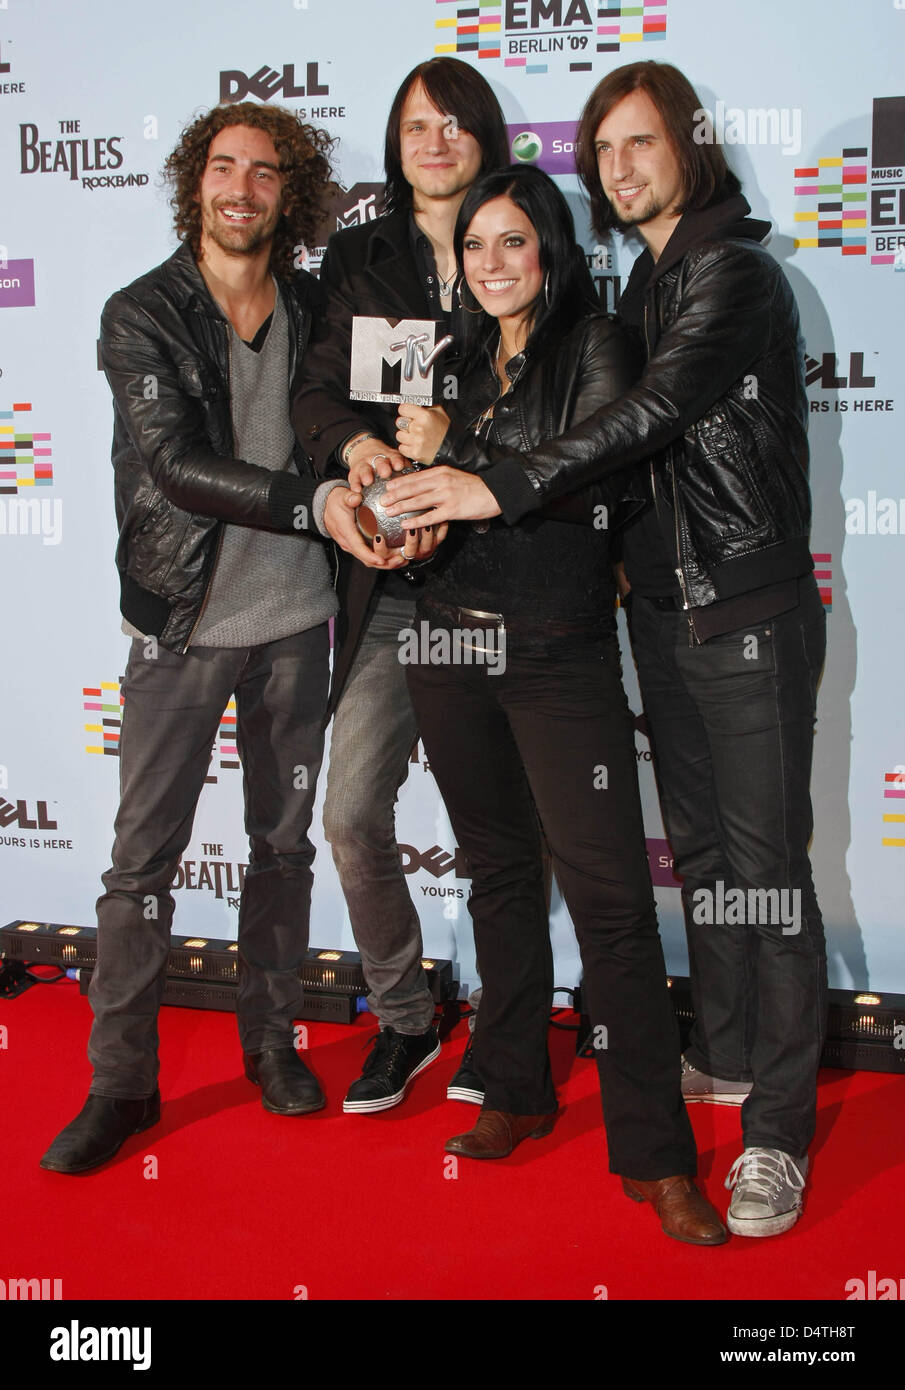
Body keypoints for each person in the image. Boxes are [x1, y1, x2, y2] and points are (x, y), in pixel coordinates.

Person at [385, 61, 826, 1240]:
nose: (622, 168)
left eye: (640, 144)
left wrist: (486, 485)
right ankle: (722, 1059)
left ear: (689, 143)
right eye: (606, 151)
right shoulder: (638, 291)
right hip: (655, 617)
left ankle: (776, 1128)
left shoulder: (726, 278)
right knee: (702, 858)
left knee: (762, 870)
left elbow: (650, 418)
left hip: (736, 605)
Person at [391, 164, 726, 1247]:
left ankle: (656, 1153)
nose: (490, 265)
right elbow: (446, 494)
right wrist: (403, 507)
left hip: (555, 655)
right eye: (474, 246)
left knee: (613, 905)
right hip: (446, 646)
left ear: (550, 249)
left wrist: (461, 458)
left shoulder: (596, 346)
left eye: (512, 243)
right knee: (496, 874)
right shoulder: (452, 359)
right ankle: (515, 1085)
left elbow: (589, 477)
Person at [41, 102, 374, 1174]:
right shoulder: (139, 311)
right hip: (183, 624)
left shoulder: (319, 307)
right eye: (223, 168)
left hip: (296, 624)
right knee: (141, 864)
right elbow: (178, 465)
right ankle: (120, 1084)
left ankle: (271, 1043)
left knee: (281, 849)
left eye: (264, 172)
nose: (241, 189)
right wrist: (314, 505)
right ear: (195, 184)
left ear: (291, 191)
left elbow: (349, 429)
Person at [292, 58, 508, 1115]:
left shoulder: (521, 233)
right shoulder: (357, 253)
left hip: (497, 581)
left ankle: (508, 1033)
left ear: (484, 136)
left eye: (453, 121)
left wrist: (457, 436)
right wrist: (354, 452)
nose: (434, 140)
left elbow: (561, 394)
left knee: (502, 824)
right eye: (415, 124)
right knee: (348, 812)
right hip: (385, 581)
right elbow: (314, 394)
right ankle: (407, 1015)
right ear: (395, 141)